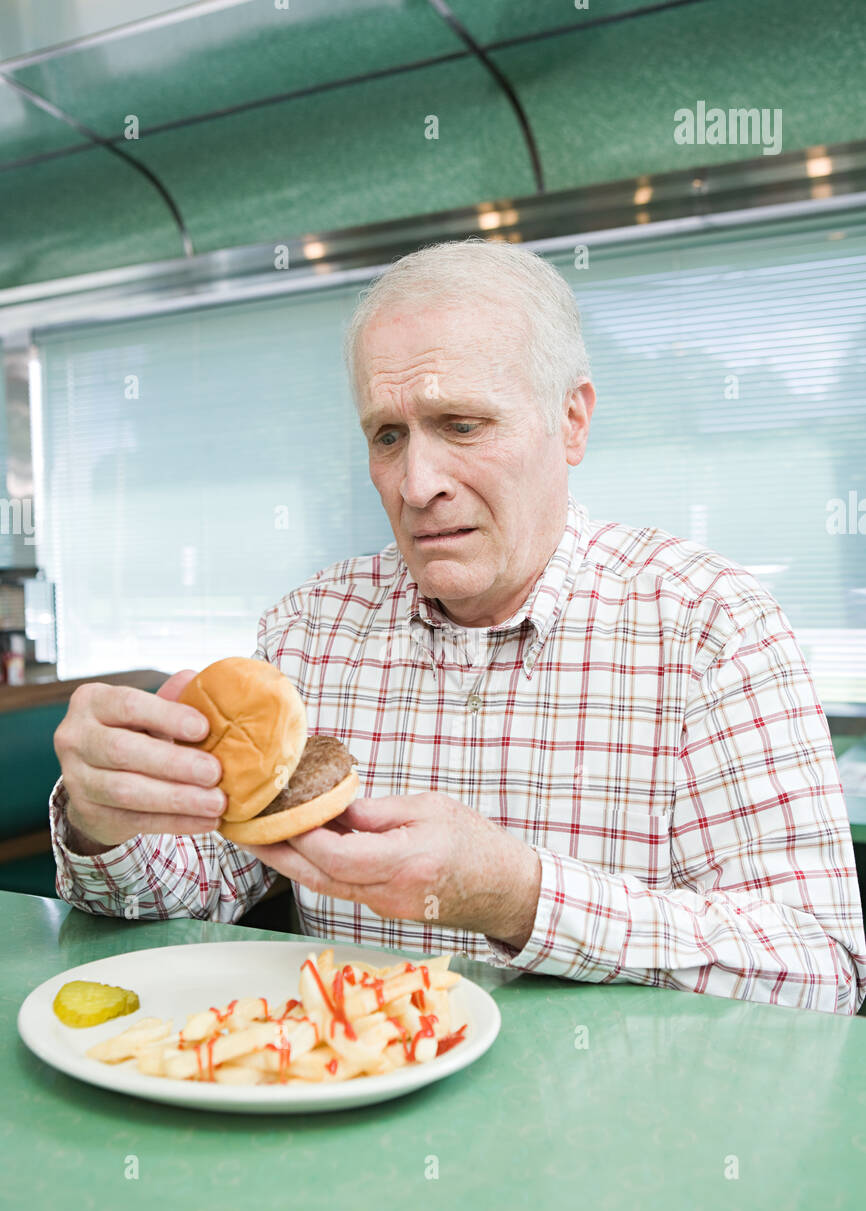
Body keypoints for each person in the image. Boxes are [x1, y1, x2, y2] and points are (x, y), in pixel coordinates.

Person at [50, 240, 866, 1014]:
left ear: (572, 420)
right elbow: (188, 894)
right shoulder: (307, 630)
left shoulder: (713, 627)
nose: (418, 482)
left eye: (463, 425)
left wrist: (518, 894)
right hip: (345, 1108)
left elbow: (821, 970)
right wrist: (104, 819)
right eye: (389, 435)